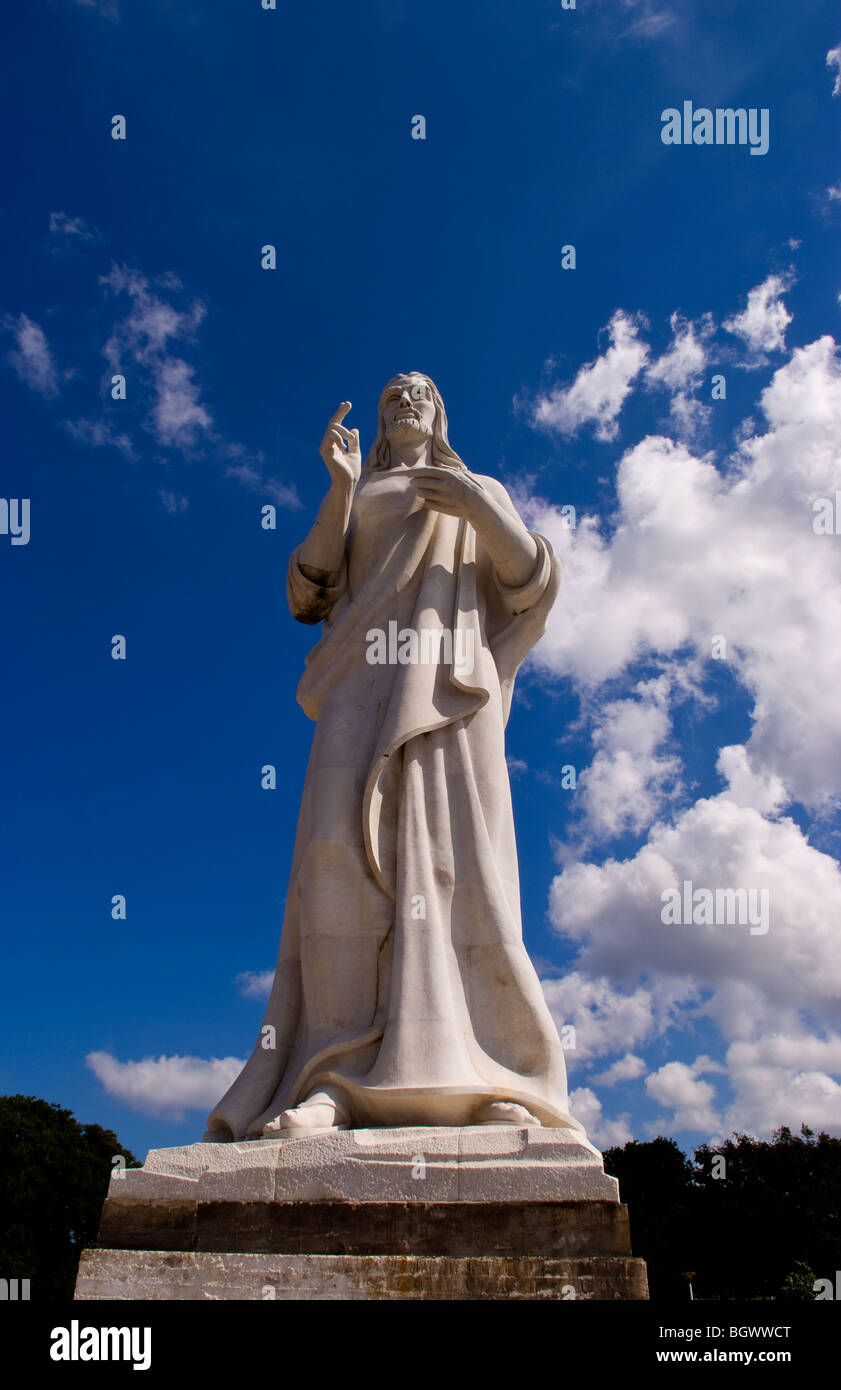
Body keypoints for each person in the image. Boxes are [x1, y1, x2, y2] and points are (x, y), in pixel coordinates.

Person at [206, 373, 584, 1140]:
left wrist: (478, 507)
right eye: (392, 394)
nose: (406, 398)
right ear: (381, 418)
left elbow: (529, 585)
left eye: (420, 391)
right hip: (359, 685)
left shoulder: (473, 487)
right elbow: (308, 592)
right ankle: (333, 1077)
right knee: (334, 863)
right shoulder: (362, 491)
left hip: (447, 689)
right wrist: (340, 487)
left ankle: (491, 1077)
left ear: (440, 411)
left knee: (457, 866)